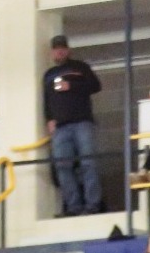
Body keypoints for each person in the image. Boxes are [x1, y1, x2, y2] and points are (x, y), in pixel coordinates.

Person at [43, 35, 104, 217]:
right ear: (52, 51)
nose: (59, 51)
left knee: (88, 163)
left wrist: (71, 85)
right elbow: (46, 99)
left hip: (82, 122)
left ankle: (93, 204)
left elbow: (95, 86)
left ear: (68, 50)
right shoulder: (49, 74)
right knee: (62, 166)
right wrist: (49, 119)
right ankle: (73, 207)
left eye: (62, 48)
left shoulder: (80, 67)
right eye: (56, 48)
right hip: (60, 127)